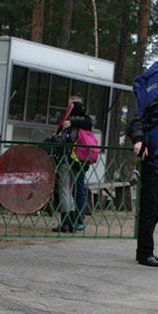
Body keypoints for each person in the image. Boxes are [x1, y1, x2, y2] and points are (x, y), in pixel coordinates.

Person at [126, 110, 158, 267]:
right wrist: (138, 140)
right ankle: (144, 253)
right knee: (149, 210)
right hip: (150, 163)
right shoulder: (152, 108)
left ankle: (147, 250)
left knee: (157, 209)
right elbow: (135, 124)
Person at [52, 97, 94, 233]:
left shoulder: (69, 123)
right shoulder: (85, 123)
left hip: (67, 159)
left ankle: (66, 223)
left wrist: (55, 136)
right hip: (79, 161)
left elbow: (62, 140)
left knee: (65, 191)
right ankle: (72, 223)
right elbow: (89, 121)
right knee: (70, 191)